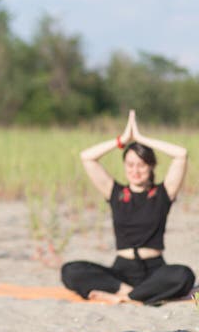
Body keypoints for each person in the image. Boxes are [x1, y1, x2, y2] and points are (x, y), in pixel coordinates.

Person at [61, 110, 195, 304]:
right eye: (130, 165)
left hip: (155, 270)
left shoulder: (163, 193)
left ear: (151, 167)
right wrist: (122, 140)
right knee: (70, 271)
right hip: (121, 272)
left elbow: (181, 154)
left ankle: (125, 297)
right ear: (124, 166)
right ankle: (131, 292)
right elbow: (87, 157)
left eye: (141, 165)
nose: (135, 170)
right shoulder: (115, 192)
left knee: (184, 275)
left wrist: (141, 139)